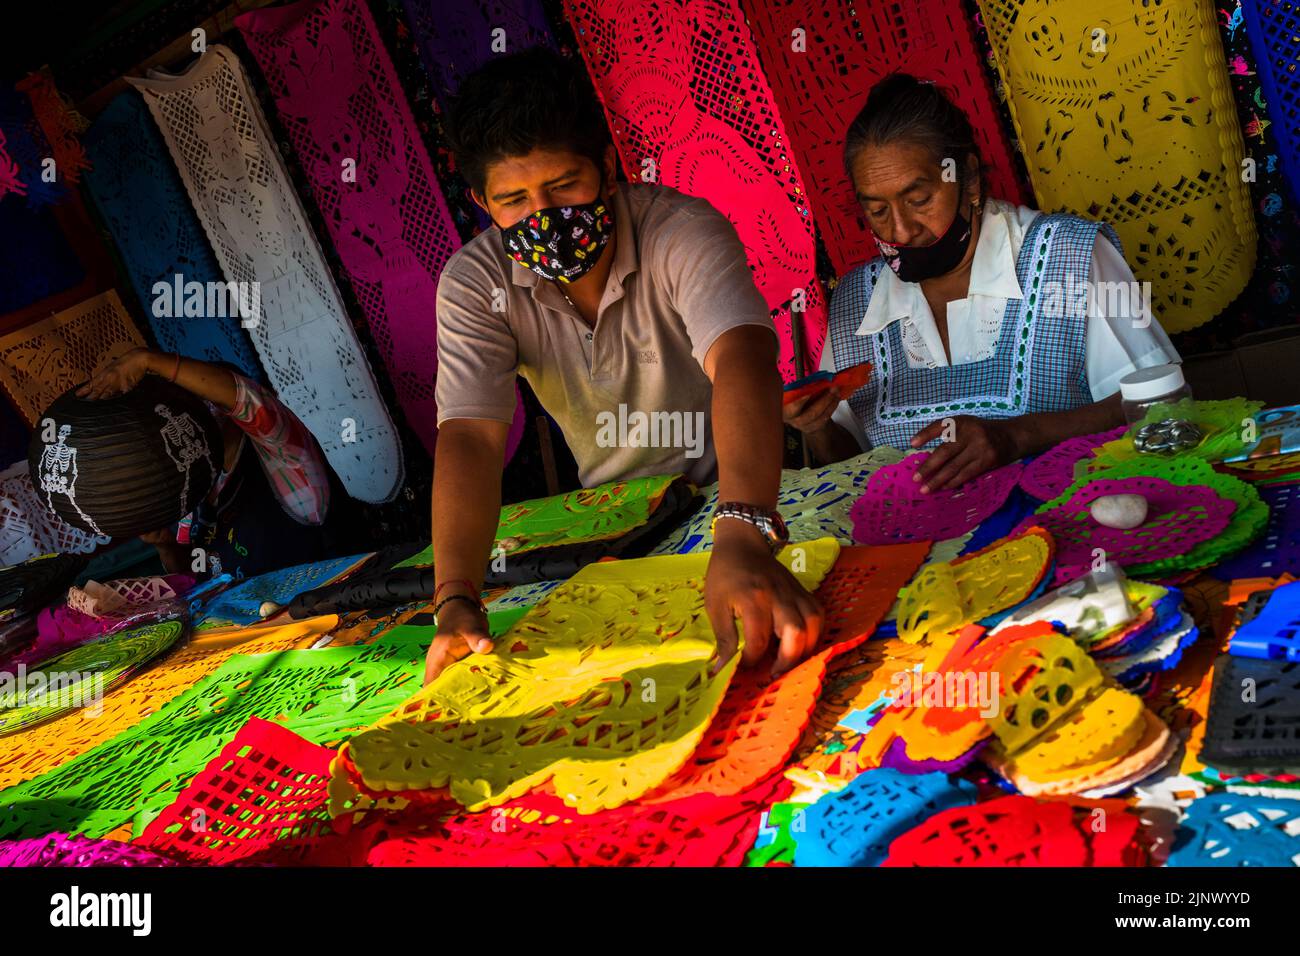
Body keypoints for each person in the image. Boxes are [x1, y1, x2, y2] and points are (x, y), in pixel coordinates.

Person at [427, 47, 822, 683]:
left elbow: (742, 358)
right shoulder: (476, 284)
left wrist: (744, 531)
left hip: (745, 493)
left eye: (563, 187)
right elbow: (471, 435)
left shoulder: (682, 232)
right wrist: (455, 599)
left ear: (608, 166)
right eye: (514, 201)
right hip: (618, 525)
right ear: (481, 202)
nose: (545, 218)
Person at [786, 73, 1180, 492]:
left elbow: (1162, 406)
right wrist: (817, 428)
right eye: (878, 211)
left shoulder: (1073, 255)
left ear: (969, 178)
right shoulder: (855, 302)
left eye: (919, 201)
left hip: (1075, 531)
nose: (900, 230)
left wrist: (1016, 436)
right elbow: (856, 467)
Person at [79, 348, 364, 578]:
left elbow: (247, 401)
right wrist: (165, 547)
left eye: (207, 401)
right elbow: (197, 576)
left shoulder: (286, 459)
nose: (194, 415)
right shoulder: (198, 487)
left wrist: (148, 360)